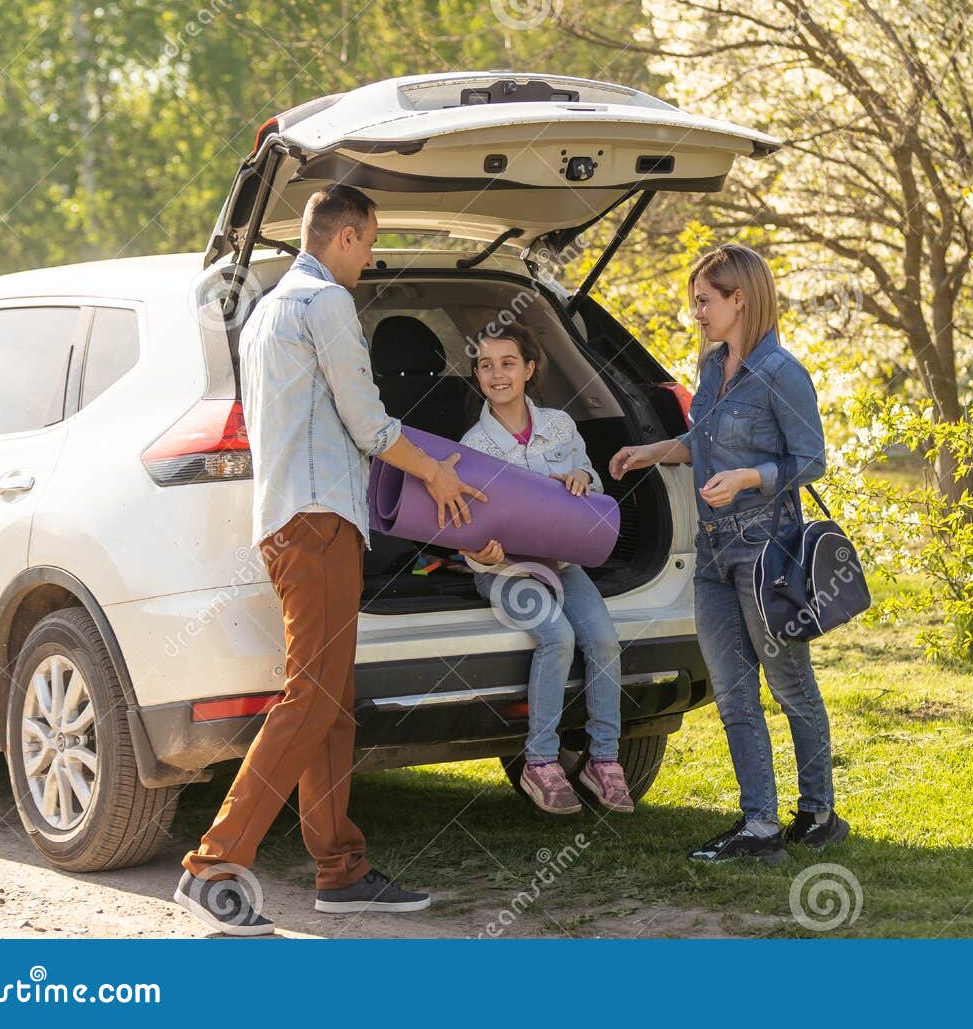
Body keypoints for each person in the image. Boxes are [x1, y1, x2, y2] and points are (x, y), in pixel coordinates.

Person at [175, 183, 488, 935]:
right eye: (370, 241)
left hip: (292, 518)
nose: (371, 256)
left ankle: (340, 869)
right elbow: (370, 422)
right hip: (316, 521)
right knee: (311, 697)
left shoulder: (264, 312)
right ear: (344, 236)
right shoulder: (326, 304)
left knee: (330, 701)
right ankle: (212, 866)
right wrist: (435, 472)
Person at [610, 243, 848, 863]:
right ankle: (760, 827)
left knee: (791, 685)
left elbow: (812, 459)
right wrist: (649, 453)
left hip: (767, 552)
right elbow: (701, 439)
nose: (696, 312)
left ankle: (818, 814)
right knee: (734, 691)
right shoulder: (712, 366)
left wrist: (748, 478)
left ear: (738, 298)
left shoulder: (783, 373)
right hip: (712, 552)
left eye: (704, 300)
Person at [458, 323, 633, 815]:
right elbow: (465, 527)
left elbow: (592, 483)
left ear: (529, 369)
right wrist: (482, 557)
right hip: (506, 572)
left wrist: (584, 476)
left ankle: (603, 761)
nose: (497, 374)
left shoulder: (559, 425)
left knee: (603, 640)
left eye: (508, 363)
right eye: (486, 365)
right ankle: (540, 763)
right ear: (476, 374)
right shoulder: (474, 445)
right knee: (557, 635)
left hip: (563, 564)